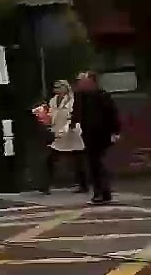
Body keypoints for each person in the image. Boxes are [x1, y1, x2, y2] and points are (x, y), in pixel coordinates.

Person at [71, 71, 121, 204]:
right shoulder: (82, 97)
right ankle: (103, 193)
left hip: (102, 133)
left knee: (97, 163)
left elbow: (112, 114)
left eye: (84, 81)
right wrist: (76, 125)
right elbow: (78, 113)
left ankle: (101, 192)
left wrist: (115, 131)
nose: (81, 84)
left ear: (92, 82)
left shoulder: (103, 95)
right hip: (88, 133)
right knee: (94, 163)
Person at [40, 79, 86, 194]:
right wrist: (44, 117)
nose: (56, 89)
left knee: (77, 160)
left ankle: (83, 185)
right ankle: (46, 185)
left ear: (66, 88)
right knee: (50, 159)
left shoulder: (72, 100)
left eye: (59, 87)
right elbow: (51, 115)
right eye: (55, 87)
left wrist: (65, 129)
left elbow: (73, 117)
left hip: (71, 134)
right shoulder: (53, 101)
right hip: (58, 134)